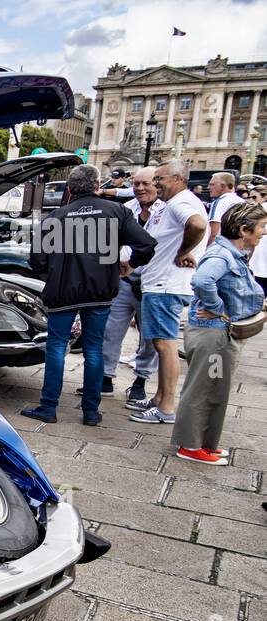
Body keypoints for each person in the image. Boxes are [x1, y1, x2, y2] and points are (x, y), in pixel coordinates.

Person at [21, 164, 155, 426]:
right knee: (94, 348)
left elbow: (37, 261)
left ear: (70, 189)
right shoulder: (116, 212)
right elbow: (147, 244)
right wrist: (130, 264)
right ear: (96, 186)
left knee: (57, 346)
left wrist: (54, 270)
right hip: (100, 291)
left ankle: (49, 407)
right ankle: (91, 411)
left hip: (63, 291)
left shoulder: (56, 217)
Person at [171, 201, 266, 464]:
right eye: (261, 226)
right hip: (213, 335)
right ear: (244, 230)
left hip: (218, 334)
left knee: (215, 389)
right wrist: (217, 309)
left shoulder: (230, 253)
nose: (263, 232)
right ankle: (190, 446)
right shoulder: (222, 255)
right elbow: (202, 281)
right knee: (205, 389)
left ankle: (204, 443)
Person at [130, 160, 208, 425]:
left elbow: (198, 225)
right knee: (160, 343)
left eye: (159, 179)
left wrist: (184, 251)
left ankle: (165, 406)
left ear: (178, 179)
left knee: (165, 344)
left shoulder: (179, 203)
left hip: (165, 285)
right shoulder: (172, 204)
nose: (155, 184)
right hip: (161, 284)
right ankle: (159, 397)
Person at [93, 166, 162, 404]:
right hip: (123, 279)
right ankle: (106, 377)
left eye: (146, 183)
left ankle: (140, 380)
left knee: (149, 338)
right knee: (110, 330)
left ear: (157, 184)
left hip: (152, 282)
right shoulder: (126, 209)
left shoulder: (167, 211)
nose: (140, 188)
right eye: (136, 184)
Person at [206, 172, 238, 242]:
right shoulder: (242, 201)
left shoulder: (219, 202)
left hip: (222, 245)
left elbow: (213, 233)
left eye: (212, 184)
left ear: (223, 186)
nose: (208, 187)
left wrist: (208, 247)